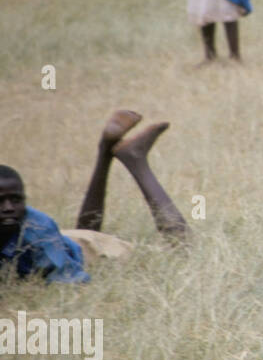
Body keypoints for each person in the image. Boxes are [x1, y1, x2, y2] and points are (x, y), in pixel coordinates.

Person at [0, 111, 187, 285]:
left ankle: (136, 161)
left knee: (182, 252)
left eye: (16, 200)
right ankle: (106, 150)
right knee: (84, 235)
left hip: (83, 248)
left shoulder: (39, 232)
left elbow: (71, 283)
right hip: (67, 240)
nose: (8, 207)